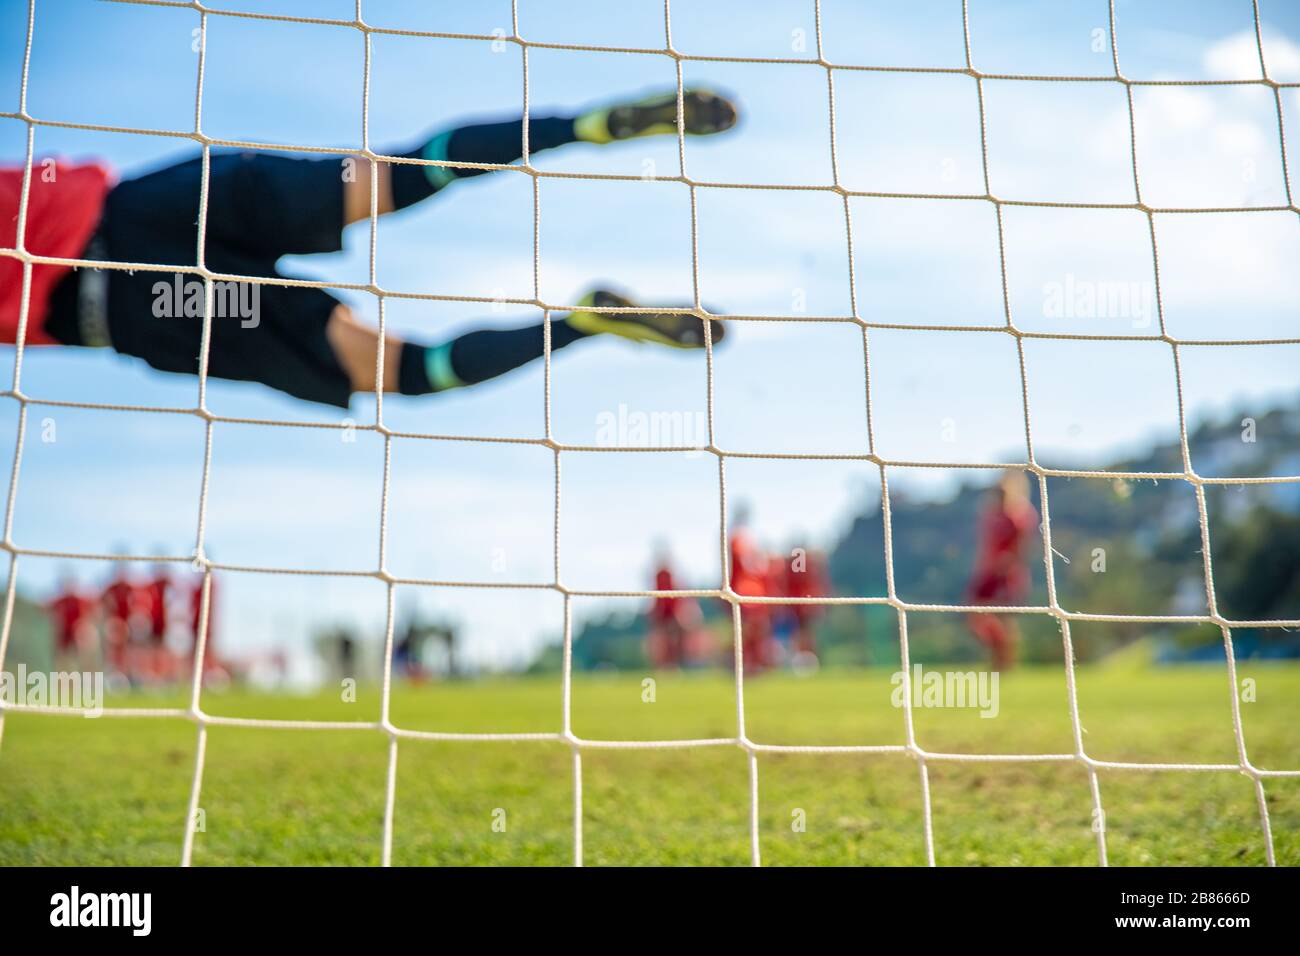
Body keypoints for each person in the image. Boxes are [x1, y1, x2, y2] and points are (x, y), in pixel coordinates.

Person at [1, 90, 737, 406]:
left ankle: (576, 325)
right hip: (136, 202)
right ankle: (580, 126)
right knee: (404, 172)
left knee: (405, 371)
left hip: (119, 302)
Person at [966, 469, 1039, 670]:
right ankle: (997, 657)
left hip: (1008, 574)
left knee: (1005, 618)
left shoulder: (1020, 516)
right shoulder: (990, 515)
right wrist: (980, 569)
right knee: (975, 615)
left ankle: (1004, 664)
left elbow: (1023, 547)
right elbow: (984, 546)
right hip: (987, 574)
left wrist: (1009, 566)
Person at [728, 506, 773, 673]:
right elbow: (746, 564)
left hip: (755, 591)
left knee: (756, 630)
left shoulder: (748, 537)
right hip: (744, 591)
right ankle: (746, 664)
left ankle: (754, 664)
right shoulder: (737, 538)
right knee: (747, 630)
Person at [46, 569, 97, 670]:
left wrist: (87, 628)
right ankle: (64, 678)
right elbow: (48, 609)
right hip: (65, 632)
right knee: (62, 656)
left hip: (79, 632)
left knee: (84, 653)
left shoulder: (81, 599)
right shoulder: (61, 600)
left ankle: (89, 678)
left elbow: (94, 610)